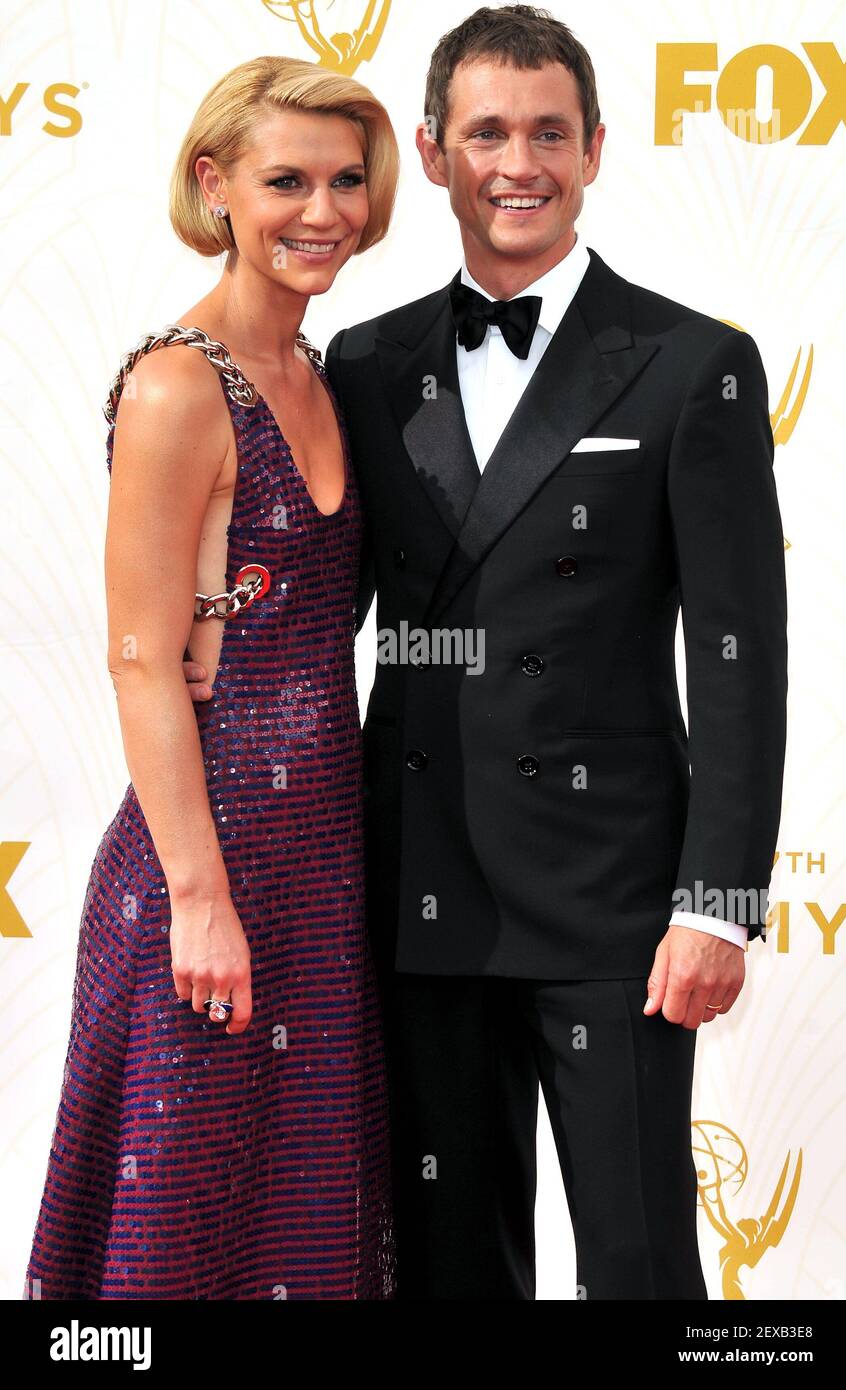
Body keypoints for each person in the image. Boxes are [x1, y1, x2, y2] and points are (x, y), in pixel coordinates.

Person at [184, 7, 788, 1299]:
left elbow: (738, 651)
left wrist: (715, 901)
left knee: (636, 1260)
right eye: (486, 133)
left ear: (595, 151)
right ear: (434, 152)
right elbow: (309, 592)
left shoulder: (693, 364)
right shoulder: (364, 357)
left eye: (547, 134)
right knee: (448, 1263)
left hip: (616, 901)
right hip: (413, 883)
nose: (517, 163)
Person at [24, 54, 398, 1301]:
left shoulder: (326, 376)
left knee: (293, 1220)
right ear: (214, 184)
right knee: (179, 1212)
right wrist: (197, 895)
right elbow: (141, 660)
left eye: (347, 179)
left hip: (320, 863)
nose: (323, 211)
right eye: (285, 179)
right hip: (210, 857)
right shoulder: (181, 384)